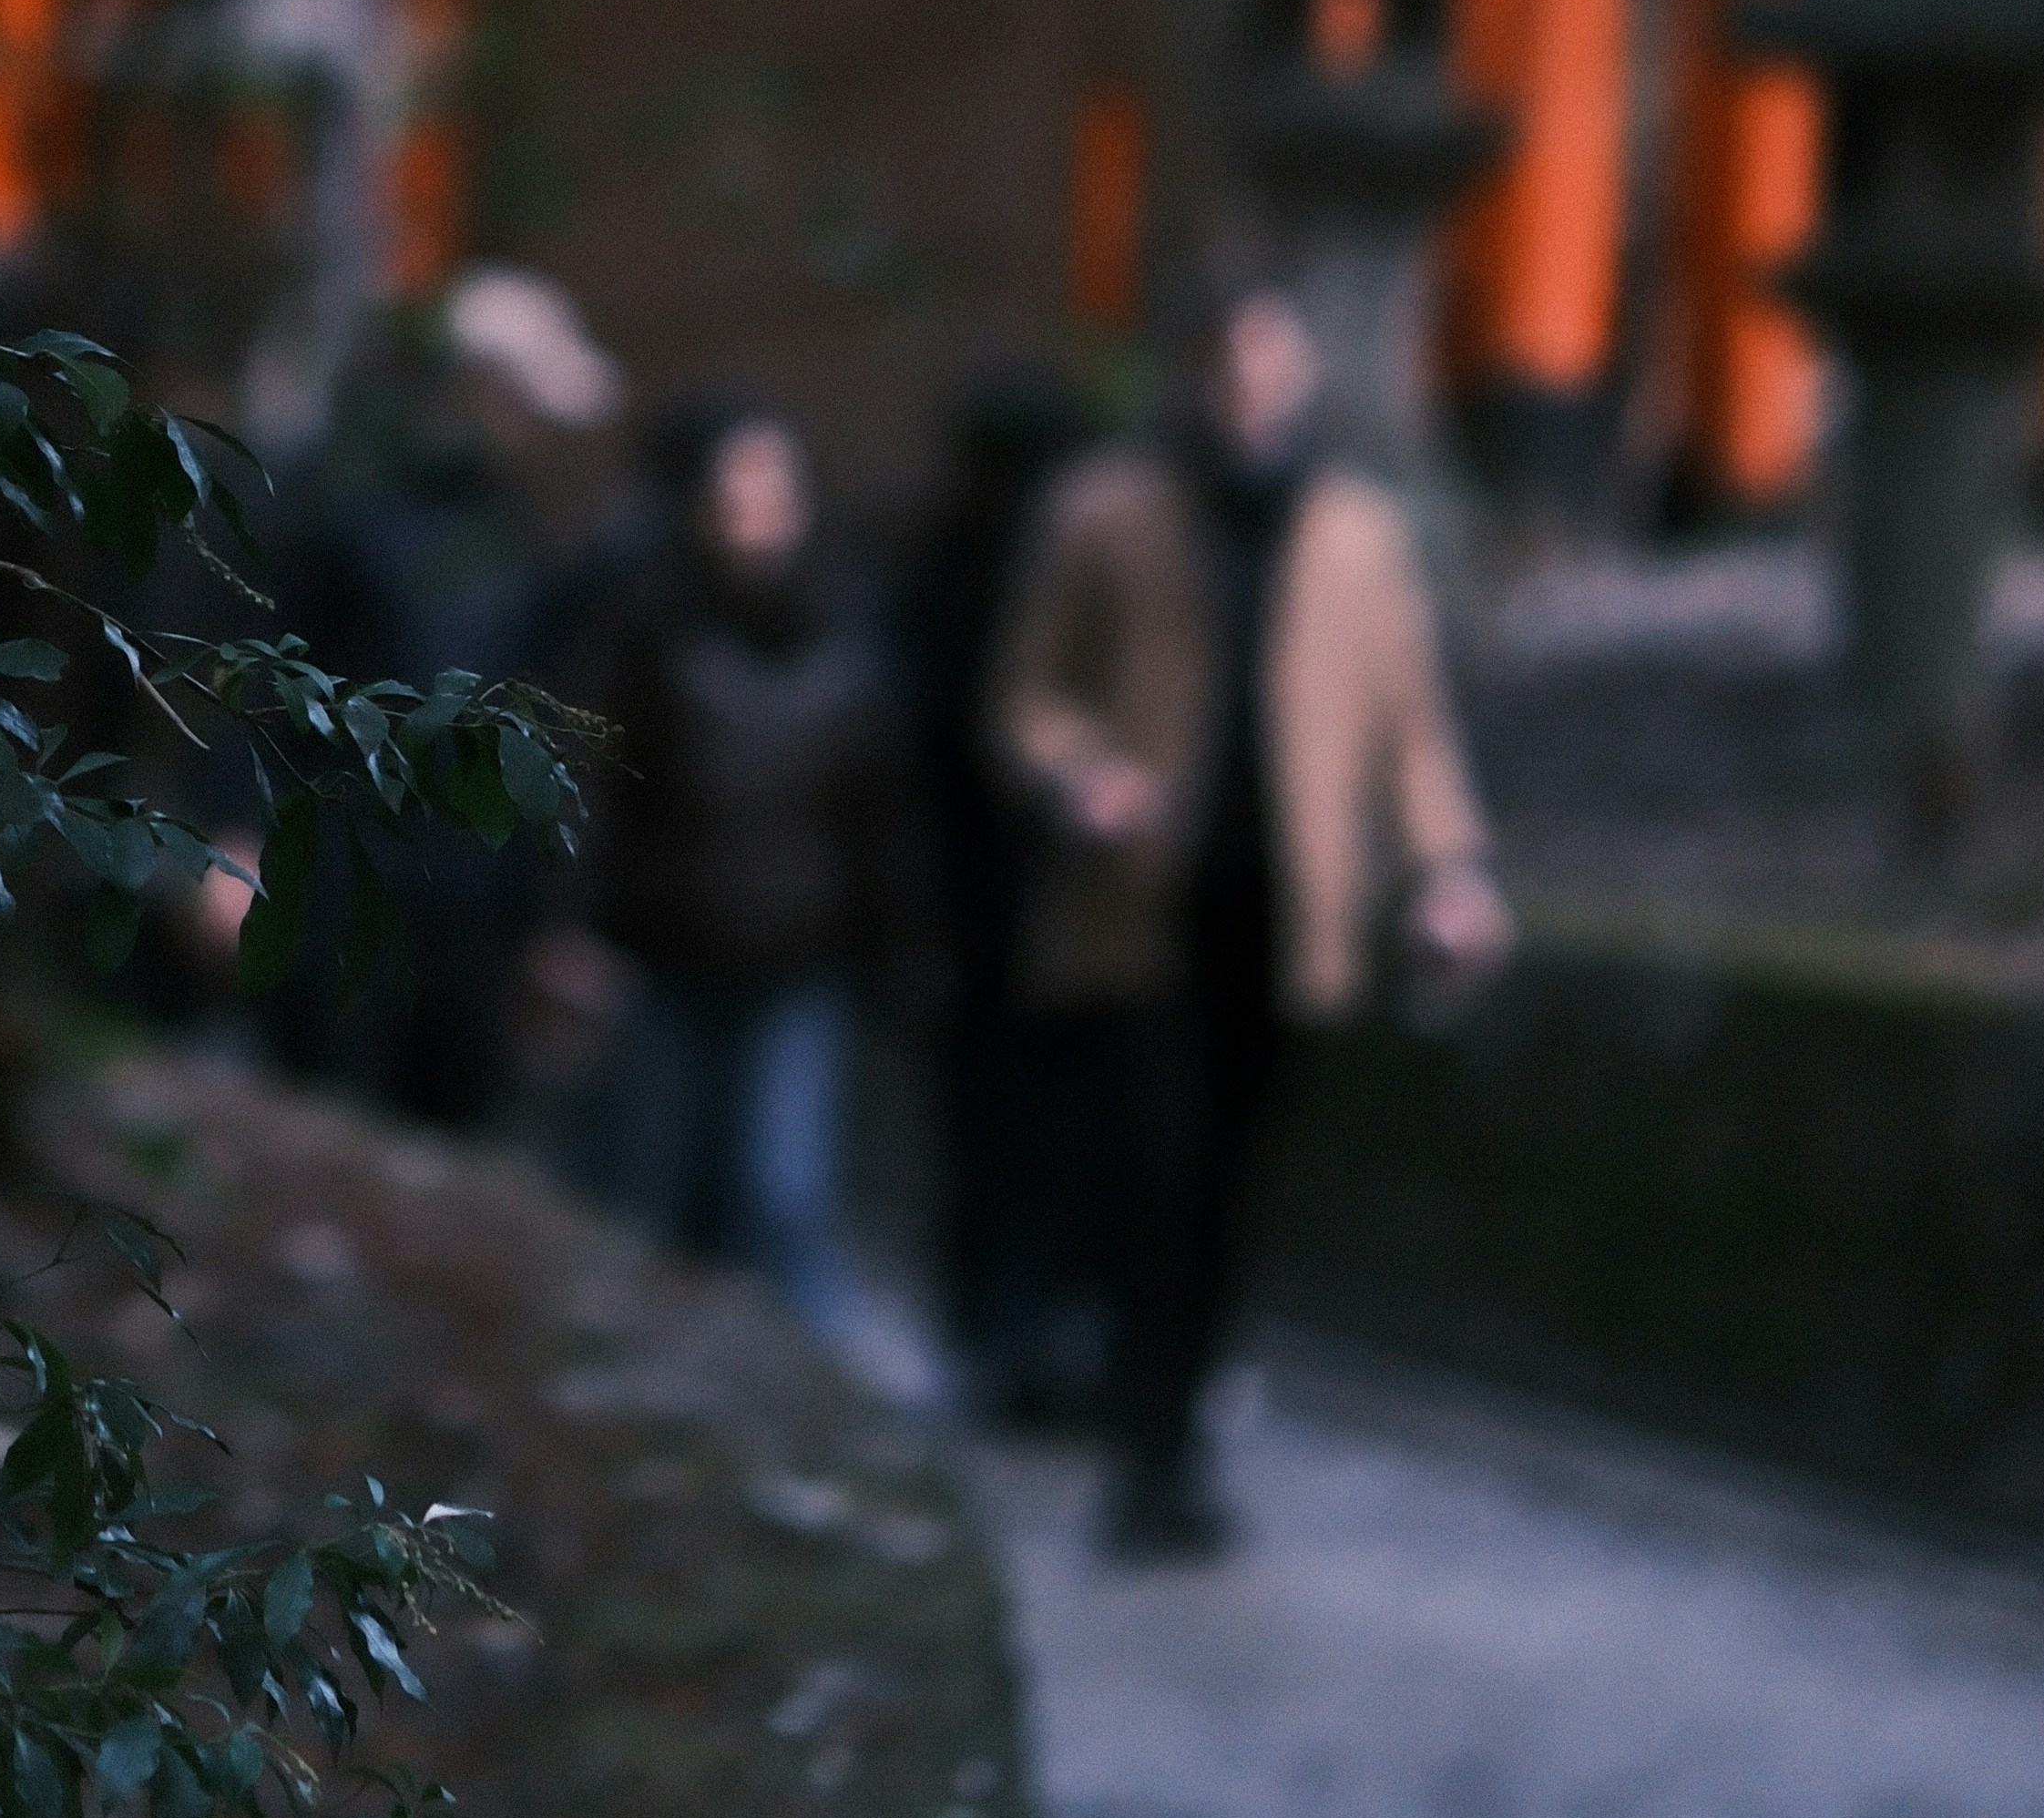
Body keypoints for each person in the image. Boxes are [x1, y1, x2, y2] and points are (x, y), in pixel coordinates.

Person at [994, 281, 1512, 1557]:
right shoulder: (1107, 513)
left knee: (1231, 1185)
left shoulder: (1354, 534)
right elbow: (1025, 696)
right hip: (1145, 908)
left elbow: (1411, 726)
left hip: (1293, 918)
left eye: (1273, 359)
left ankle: (1182, 1418)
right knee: (1155, 1175)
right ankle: (1148, 1447)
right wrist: (1081, 774)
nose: (1251, 385)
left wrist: (1450, 867)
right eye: (1229, 359)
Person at [221, 266, 619, 1131]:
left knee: (449, 1126)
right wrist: (233, 835)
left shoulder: (515, 534)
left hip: (470, 899)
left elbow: (538, 727)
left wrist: (553, 916)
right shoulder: (350, 505)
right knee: (333, 1118)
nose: (538, 435)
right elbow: (265, 672)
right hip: (345, 874)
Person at [538, 397, 904, 1333]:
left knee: (782, 1191)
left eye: (771, 486)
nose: (754, 507)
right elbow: (588, 778)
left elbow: (881, 806)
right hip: (665, 942)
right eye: (733, 486)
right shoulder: (647, 623)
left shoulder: (849, 628)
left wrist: (897, 947)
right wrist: (570, 919)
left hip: (796, 950)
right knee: (649, 1191)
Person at [889, 363, 1108, 1422]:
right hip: (996, 912)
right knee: (1010, 1137)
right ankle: (1014, 1336)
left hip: (1034, 911)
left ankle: (1015, 1335)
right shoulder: (956, 591)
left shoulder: (968, 585)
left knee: (1017, 1140)